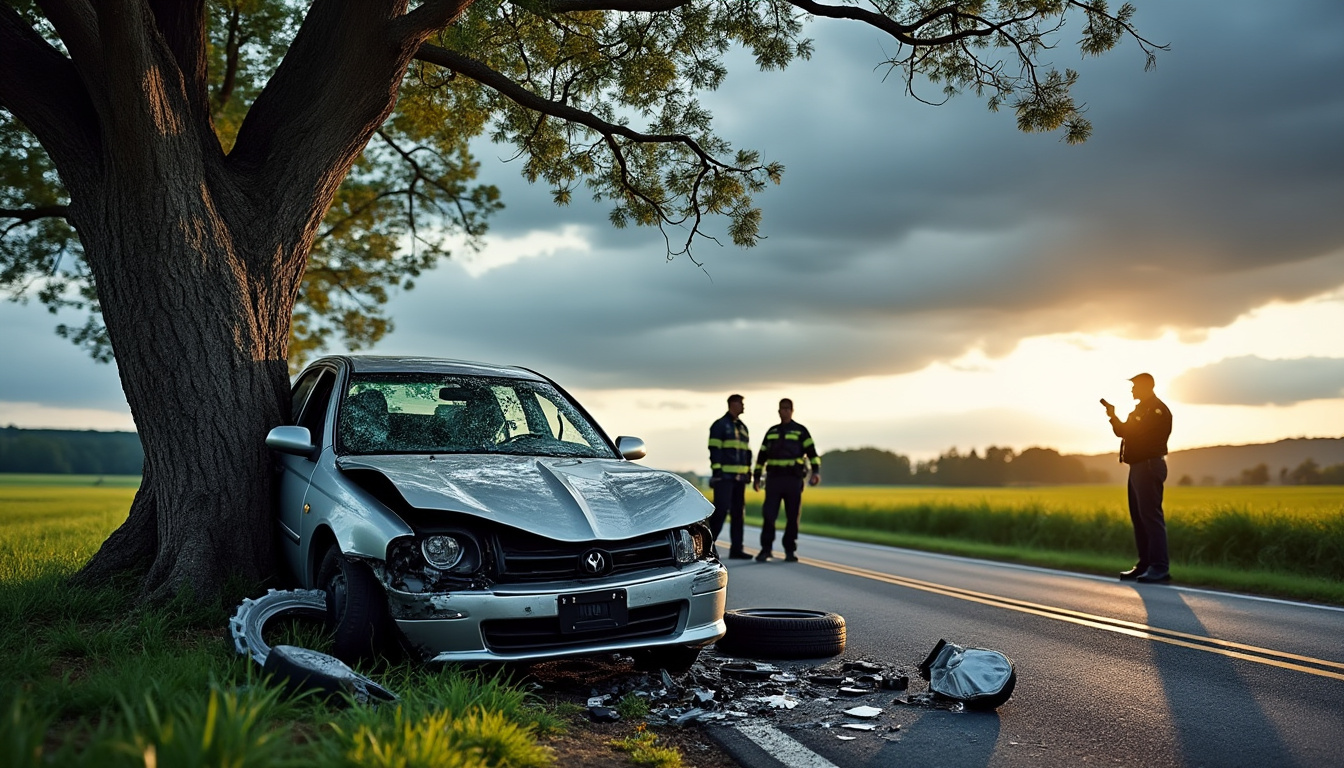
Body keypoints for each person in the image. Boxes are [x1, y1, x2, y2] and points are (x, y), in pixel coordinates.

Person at [1102, 372, 1173, 584]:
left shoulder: (1157, 410)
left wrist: (1120, 422)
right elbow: (1124, 431)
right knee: (1139, 517)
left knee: (1150, 517)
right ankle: (1145, 565)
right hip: (1138, 467)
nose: (1132, 390)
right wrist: (1112, 416)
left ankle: (1159, 568)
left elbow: (1132, 433)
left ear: (1146, 387)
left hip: (1149, 466)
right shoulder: (1141, 409)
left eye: (1135, 386)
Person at [752, 398, 821, 562]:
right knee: (769, 515)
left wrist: (816, 472)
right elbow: (761, 457)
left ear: (792, 411)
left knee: (792, 516)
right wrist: (756, 477)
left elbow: (812, 454)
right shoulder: (772, 432)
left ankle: (790, 550)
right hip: (774, 480)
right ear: (779, 411)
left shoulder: (800, 431)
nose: (785, 411)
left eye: (788, 408)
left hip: (793, 479)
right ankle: (766, 549)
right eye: (783, 408)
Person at [707, 394, 752, 559]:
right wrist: (717, 472)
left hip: (740, 479)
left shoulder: (742, 427)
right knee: (720, 511)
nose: (743, 406)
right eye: (741, 403)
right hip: (724, 478)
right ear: (733, 404)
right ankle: (706, 548)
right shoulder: (719, 425)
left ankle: (737, 549)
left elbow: (746, 452)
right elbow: (714, 449)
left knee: (738, 513)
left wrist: (748, 471)